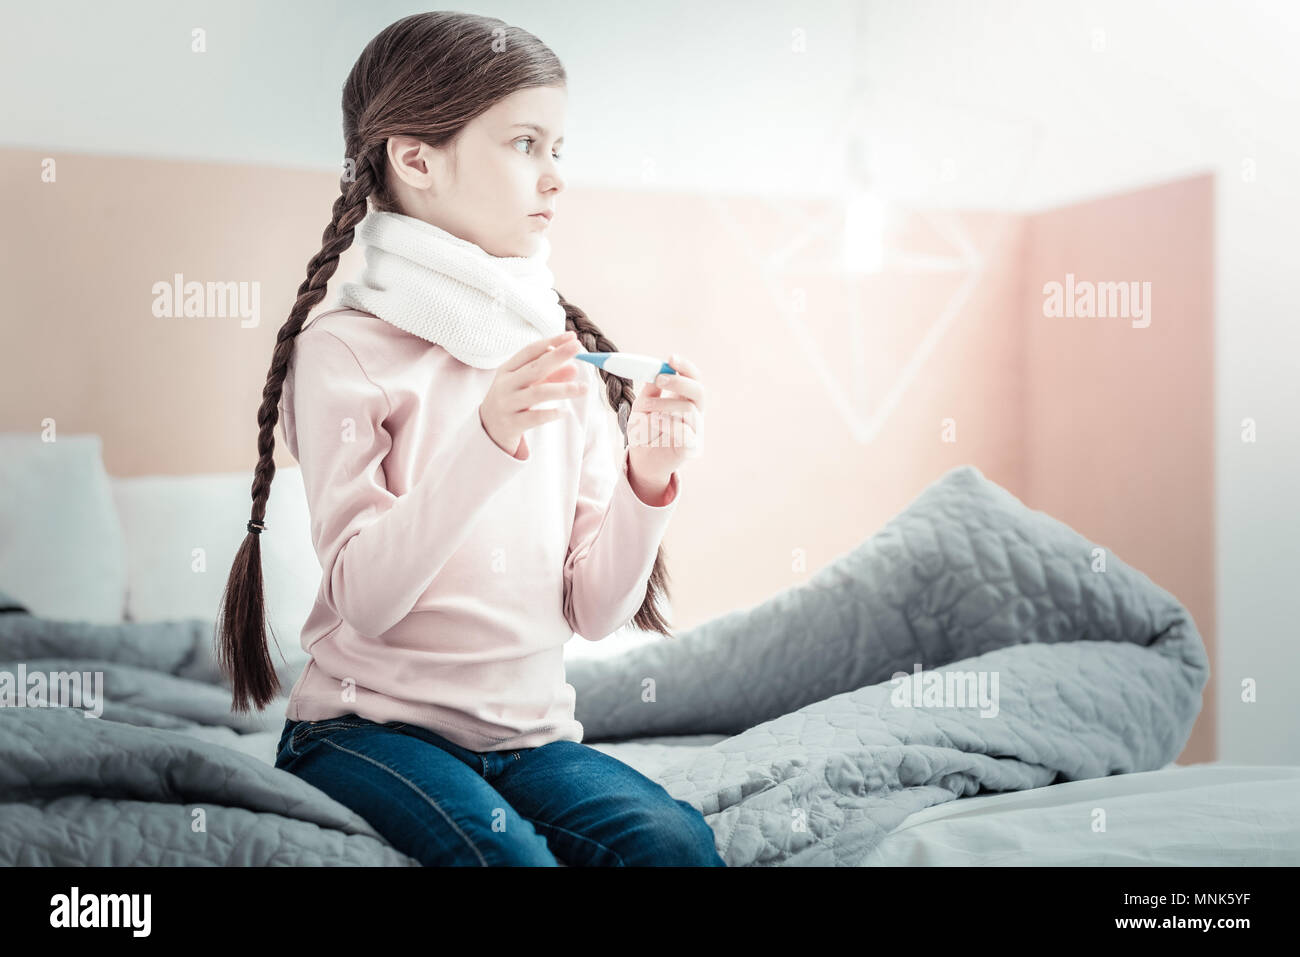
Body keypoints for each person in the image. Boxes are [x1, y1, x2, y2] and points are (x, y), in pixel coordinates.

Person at [214, 11, 719, 867]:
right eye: (526, 143)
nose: (555, 178)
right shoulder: (344, 350)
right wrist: (486, 439)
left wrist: (648, 478)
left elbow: (595, 613)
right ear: (416, 159)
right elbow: (365, 598)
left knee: (676, 844)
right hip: (364, 730)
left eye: (560, 148)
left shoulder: (561, 357)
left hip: (531, 737)